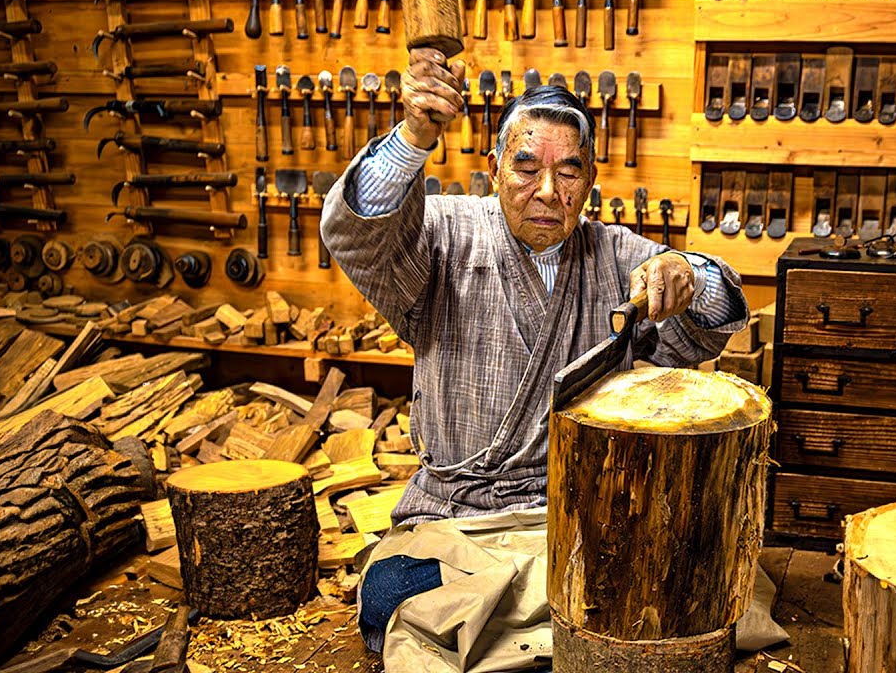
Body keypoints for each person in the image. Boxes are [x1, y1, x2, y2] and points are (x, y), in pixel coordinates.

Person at [320, 48, 750, 656]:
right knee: (390, 590)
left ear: (591, 180)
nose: (548, 191)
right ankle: (561, 631)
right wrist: (416, 133)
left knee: (680, 563)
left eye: (569, 172)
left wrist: (689, 273)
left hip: (576, 515)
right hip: (458, 519)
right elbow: (357, 235)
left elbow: (717, 315)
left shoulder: (615, 255)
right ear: (494, 167)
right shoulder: (444, 234)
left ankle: (512, 631)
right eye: (525, 168)